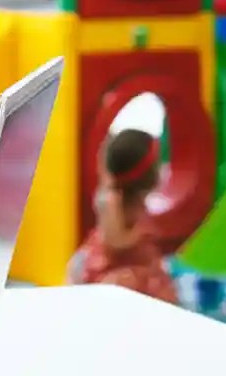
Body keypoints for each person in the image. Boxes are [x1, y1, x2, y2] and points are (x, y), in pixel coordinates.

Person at [66, 129, 177, 305]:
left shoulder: (136, 199)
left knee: (163, 287)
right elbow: (115, 241)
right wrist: (139, 234)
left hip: (132, 261)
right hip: (109, 265)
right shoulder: (111, 200)